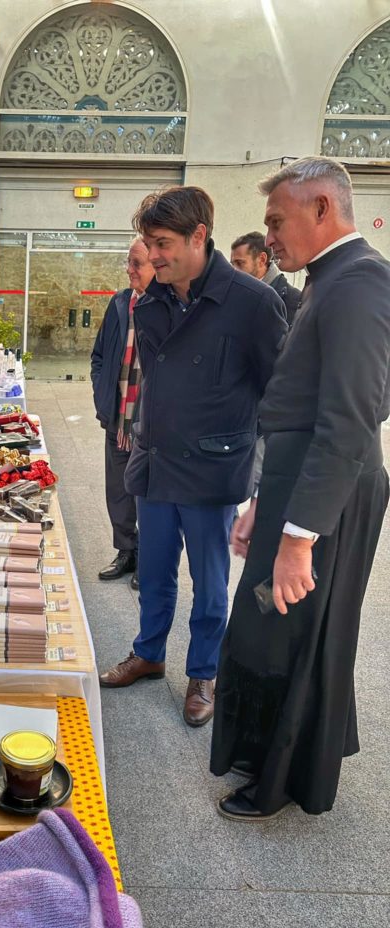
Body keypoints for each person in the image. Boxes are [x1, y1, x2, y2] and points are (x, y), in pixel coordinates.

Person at [211, 156, 390, 821]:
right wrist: (265, 502)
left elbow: (349, 420)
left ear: (323, 207)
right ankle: (265, 751)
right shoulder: (329, 280)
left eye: (276, 221)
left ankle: (285, 780)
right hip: (298, 481)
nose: (269, 238)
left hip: (327, 491)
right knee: (269, 629)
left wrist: (299, 537)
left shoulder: (360, 284)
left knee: (300, 636)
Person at [100, 186, 288, 731]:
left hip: (212, 470)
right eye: (148, 245)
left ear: (198, 237)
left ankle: (204, 672)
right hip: (155, 463)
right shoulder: (151, 299)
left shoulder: (253, 302)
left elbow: (274, 393)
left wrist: (261, 474)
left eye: (161, 244)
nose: (152, 257)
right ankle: (149, 652)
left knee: (209, 585)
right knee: (155, 574)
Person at [90, 238, 155, 586]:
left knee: (146, 493)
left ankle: (147, 559)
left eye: (136, 264)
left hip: (148, 424)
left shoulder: (165, 306)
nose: (129, 270)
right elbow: (99, 356)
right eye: (128, 263)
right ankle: (126, 551)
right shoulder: (118, 304)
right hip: (117, 418)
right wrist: (101, 394)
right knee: (117, 489)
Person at [230, 230, 302, 326]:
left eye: (240, 263)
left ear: (262, 259)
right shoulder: (234, 294)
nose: (234, 270)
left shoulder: (294, 302)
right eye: (232, 264)